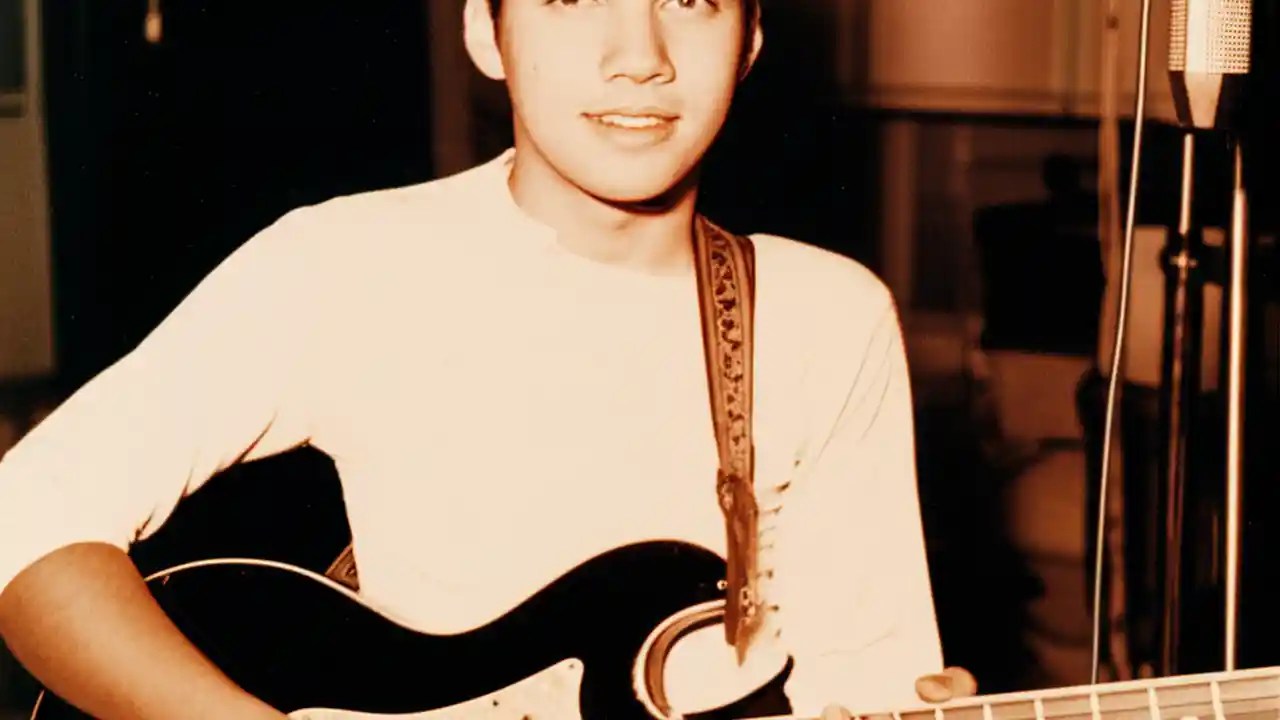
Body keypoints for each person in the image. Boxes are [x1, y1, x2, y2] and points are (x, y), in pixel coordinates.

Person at [0, 0, 976, 718]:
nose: (637, 57)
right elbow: (27, 516)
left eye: (689, 0)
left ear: (751, 37)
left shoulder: (826, 317)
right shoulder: (347, 265)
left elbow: (863, 676)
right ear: (484, 32)